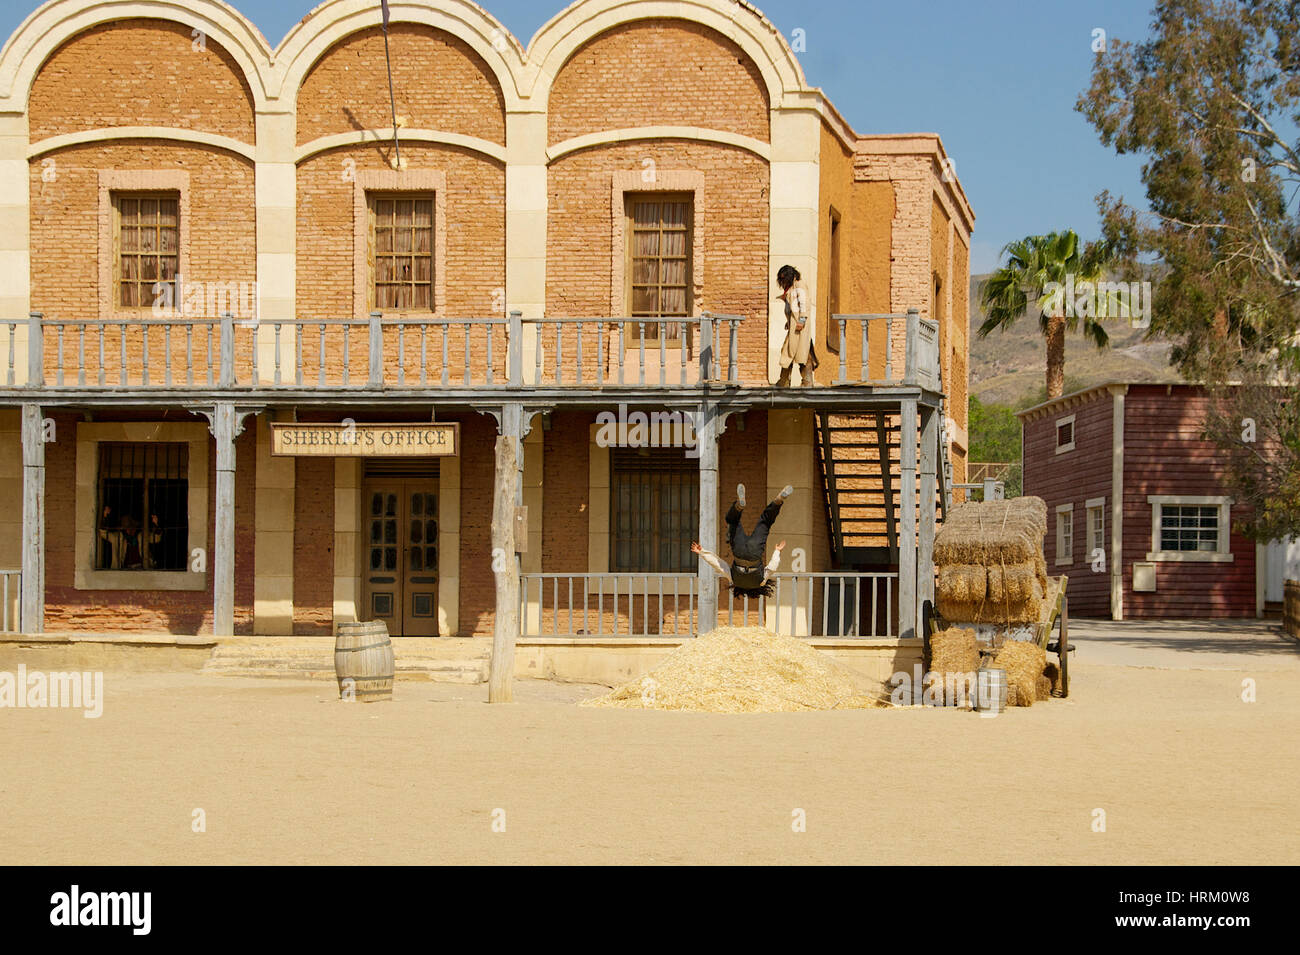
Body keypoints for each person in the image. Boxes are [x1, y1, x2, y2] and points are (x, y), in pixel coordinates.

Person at [692, 483, 793, 599]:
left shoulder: (761, 583)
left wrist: (777, 551)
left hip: (755, 552)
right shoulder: (734, 580)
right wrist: (702, 552)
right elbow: (719, 565)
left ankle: (778, 500)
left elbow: (772, 567)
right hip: (739, 551)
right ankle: (738, 506)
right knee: (732, 521)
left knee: (765, 522)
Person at [776, 264, 818, 387]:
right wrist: (788, 321)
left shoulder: (799, 285)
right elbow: (793, 308)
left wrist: (802, 320)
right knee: (790, 352)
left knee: (798, 353)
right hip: (794, 326)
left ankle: (805, 381)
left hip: (800, 327)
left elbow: (804, 303)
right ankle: (785, 381)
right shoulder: (791, 287)